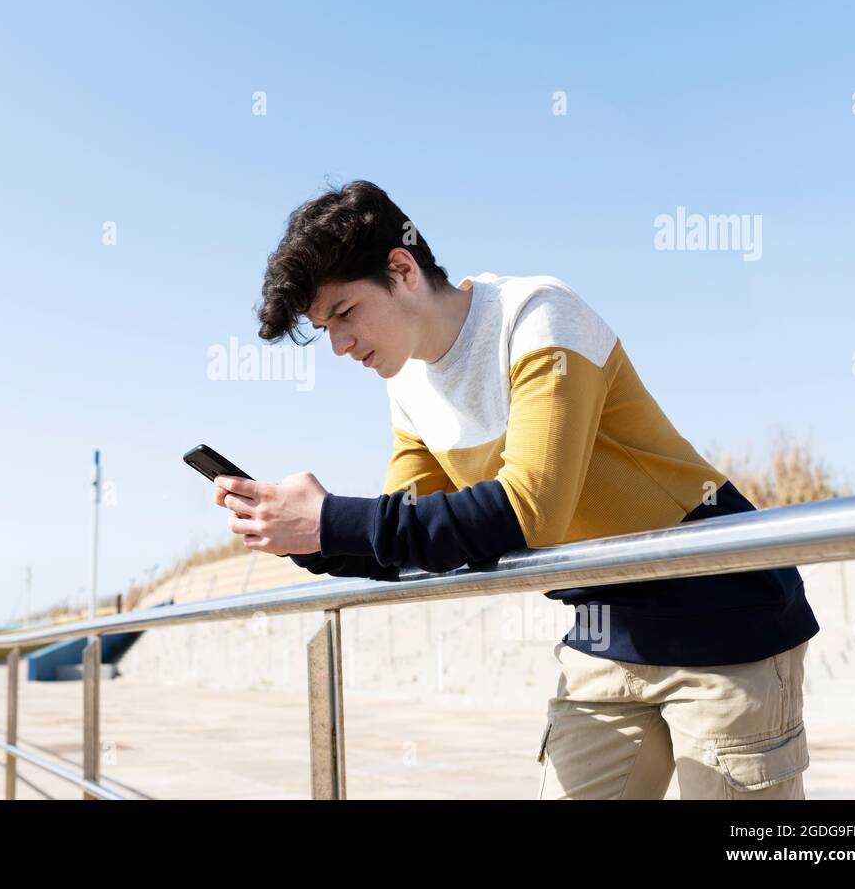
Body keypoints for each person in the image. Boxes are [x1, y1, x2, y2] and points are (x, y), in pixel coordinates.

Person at [214, 179, 819, 799]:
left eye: (344, 314)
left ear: (402, 269)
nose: (339, 346)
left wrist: (332, 520)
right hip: (607, 635)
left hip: (722, 610)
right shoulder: (407, 385)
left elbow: (530, 513)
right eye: (324, 328)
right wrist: (301, 536)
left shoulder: (537, 315)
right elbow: (408, 539)